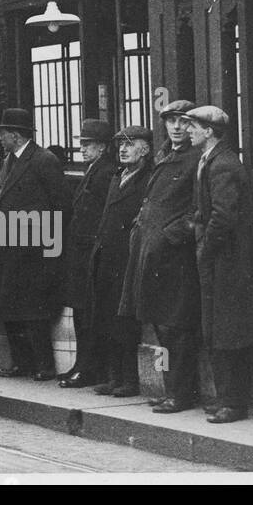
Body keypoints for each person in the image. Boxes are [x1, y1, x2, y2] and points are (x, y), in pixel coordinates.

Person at [119, 99, 203, 413]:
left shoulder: (196, 159)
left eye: (183, 121)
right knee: (161, 326)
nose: (177, 127)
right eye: (171, 121)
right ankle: (172, 391)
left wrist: (171, 236)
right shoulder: (166, 156)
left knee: (176, 327)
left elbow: (200, 210)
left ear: (193, 125)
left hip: (175, 259)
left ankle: (181, 394)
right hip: (152, 258)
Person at [184, 105, 253, 423]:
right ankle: (225, 398)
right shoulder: (211, 160)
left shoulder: (223, 165)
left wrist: (204, 248)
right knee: (217, 328)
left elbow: (223, 216)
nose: (188, 131)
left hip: (227, 262)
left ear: (208, 131)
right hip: (220, 261)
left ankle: (234, 403)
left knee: (227, 330)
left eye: (193, 127)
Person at [0, 108, 67, 381]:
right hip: (8, 247)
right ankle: (22, 363)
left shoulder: (44, 160)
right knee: (9, 309)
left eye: (3, 134)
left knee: (33, 311)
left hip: (34, 250)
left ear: (16, 135)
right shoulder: (8, 161)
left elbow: (60, 206)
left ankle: (44, 365)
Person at [88, 126, 152, 397]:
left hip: (127, 257)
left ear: (145, 149)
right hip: (107, 256)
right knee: (107, 318)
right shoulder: (118, 176)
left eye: (130, 144)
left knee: (125, 321)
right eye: (120, 145)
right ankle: (114, 376)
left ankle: (129, 379)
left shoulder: (147, 179)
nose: (123, 149)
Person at [57, 119, 115, 388]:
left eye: (88, 144)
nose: (82, 149)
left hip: (89, 252)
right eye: (82, 144)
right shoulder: (94, 169)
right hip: (82, 252)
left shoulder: (104, 173)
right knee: (82, 313)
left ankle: (89, 368)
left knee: (88, 315)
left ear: (102, 147)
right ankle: (83, 366)